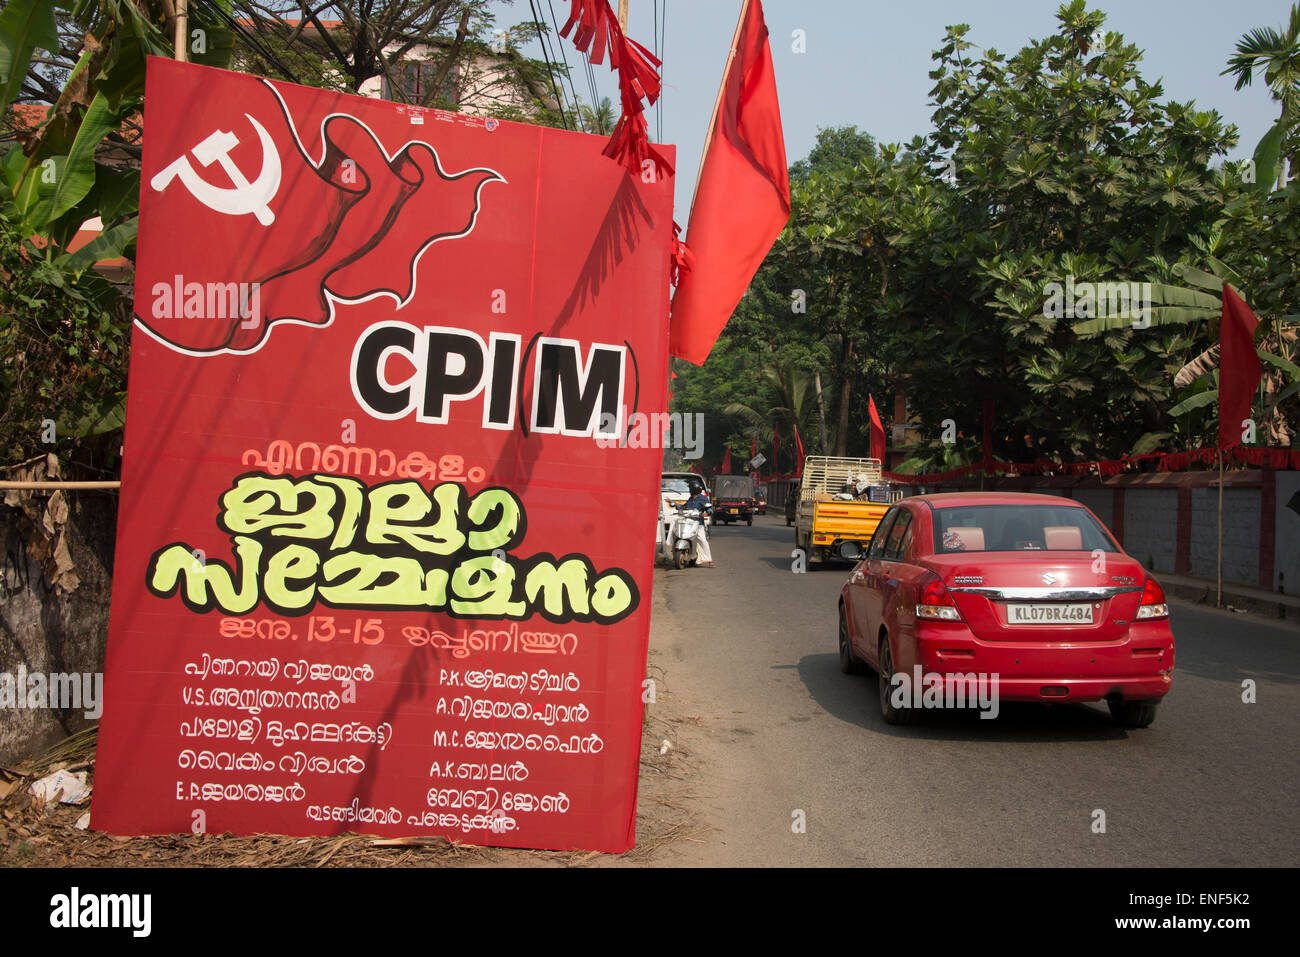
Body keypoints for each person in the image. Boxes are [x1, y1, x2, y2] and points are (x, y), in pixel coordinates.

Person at [682, 489, 714, 566]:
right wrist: (675, 505)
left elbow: (710, 508)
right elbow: (685, 506)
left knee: (702, 540)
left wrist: (708, 512)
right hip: (688, 523)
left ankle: (709, 560)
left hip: (698, 523)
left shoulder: (702, 498)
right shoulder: (691, 499)